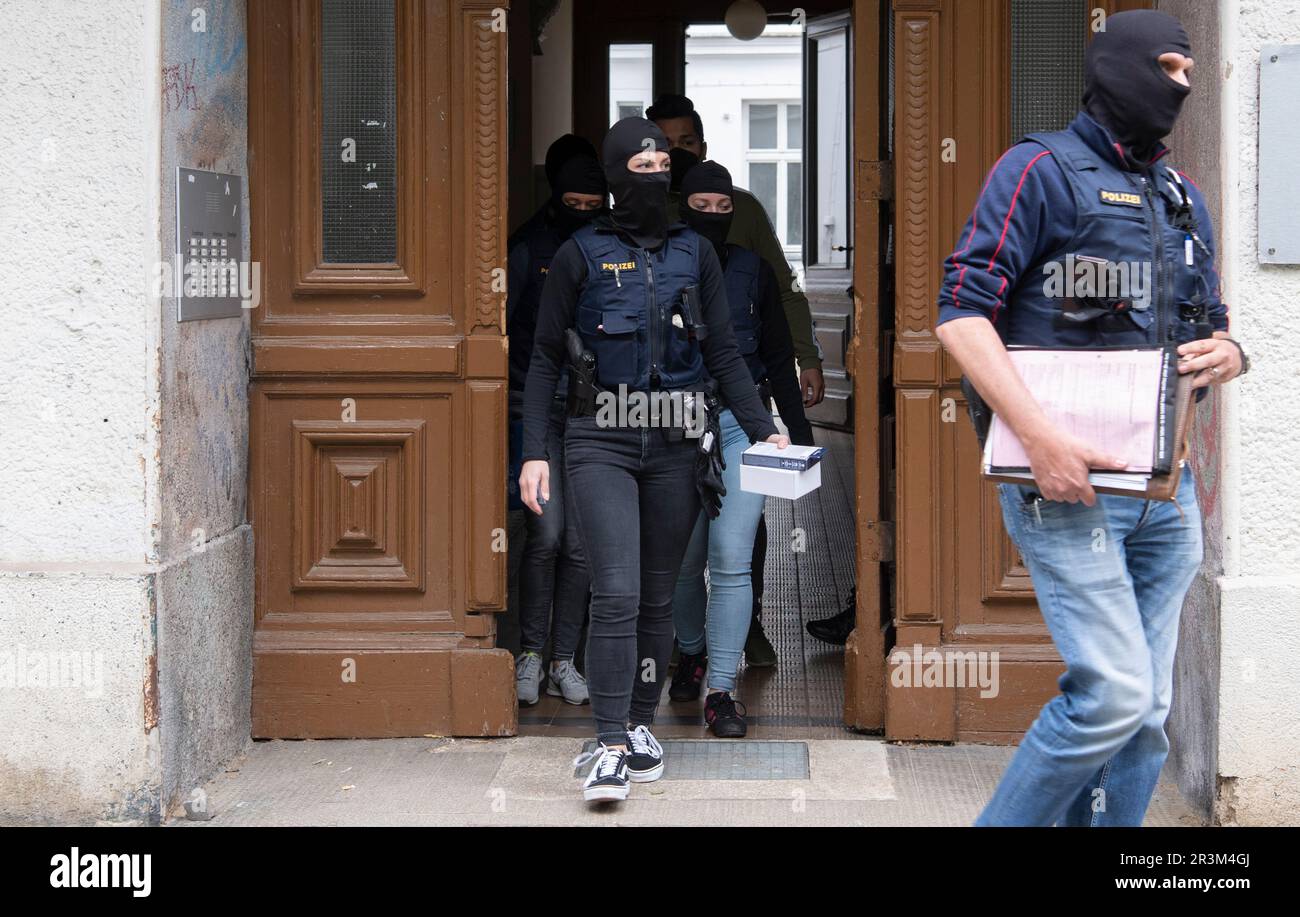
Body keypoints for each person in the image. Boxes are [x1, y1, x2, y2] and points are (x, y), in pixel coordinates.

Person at [936, 11, 1248, 827]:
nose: (1180, 85)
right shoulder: (1036, 169)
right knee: (1111, 696)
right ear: (1117, 68)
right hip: (1065, 486)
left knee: (1145, 717)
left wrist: (1231, 352)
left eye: (1190, 72)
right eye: (1169, 67)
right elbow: (961, 316)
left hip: (1166, 497)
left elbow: (1209, 323)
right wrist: (1039, 440)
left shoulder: (1182, 198)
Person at [519, 118, 789, 803]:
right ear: (616, 175)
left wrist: (764, 429)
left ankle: (640, 724)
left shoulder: (694, 254)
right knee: (615, 589)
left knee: (657, 597)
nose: (653, 178)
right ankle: (608, 742)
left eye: (660, 167)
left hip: (676, 444)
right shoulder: (580, 253)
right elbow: (546, 357)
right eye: (639, 167)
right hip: (599, 441)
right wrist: (532, 454)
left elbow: (725, 352)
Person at [648, 92, 821, 667]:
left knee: (741, 538)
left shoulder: (744, 223)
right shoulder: (645, 219)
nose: (676, 154)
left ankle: (738, 647)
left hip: (740, 403)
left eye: (686, 142)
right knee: (677, 550)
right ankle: (685, 649)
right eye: (666, 146)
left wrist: (806, 361)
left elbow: (776, 300)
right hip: (671, 413)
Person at [666, 161, 815, 736]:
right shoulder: (661, 268)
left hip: (742, 425)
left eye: (723, 210)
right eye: (699, 208)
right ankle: (693, 649)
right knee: (683, 564)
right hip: (674, 427)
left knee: (732, 558)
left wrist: (797, 441)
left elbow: (778, 358)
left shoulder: (752, 272)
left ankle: (722, 691)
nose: (711, 219)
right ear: (682, 209)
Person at [506, 155, 607, 706]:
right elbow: (507, 326)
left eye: (594, 208)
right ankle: (530, 653)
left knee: (581, 544)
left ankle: (566, 659)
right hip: (535, 407)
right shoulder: (528, 248)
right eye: (575, 207)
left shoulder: (612, 249)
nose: (585, 216)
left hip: (593, 414)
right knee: (544, 534)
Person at [508, 133, 599, 253]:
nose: (582, 210)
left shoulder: (617, 234)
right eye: (572, 202)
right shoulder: (527, 245)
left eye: (592, 204)